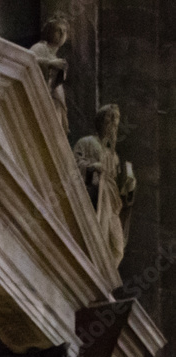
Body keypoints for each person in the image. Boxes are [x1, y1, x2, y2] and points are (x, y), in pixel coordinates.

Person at [74, 104, 136, 267]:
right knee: (100, 238)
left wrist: (129, 187)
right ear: (101, 122)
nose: (113, 125)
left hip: (112, 200)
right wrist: (93, 167)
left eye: (116, 121)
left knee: (117, 249)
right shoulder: (86, 142)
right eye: (110, 119)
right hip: (97, 194)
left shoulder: (114, 156)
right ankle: (97, 266)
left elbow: (119, 187)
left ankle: (105, 272)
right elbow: (74, 164)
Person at [30, 15, 70, 133]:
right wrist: (49, 63)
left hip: (55, 98)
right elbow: (29, 60)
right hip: (42, 95)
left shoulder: (56, 56)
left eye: (64, 31)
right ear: (49, 32)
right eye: (58, 30)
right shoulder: (40, 47)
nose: (62, 34)